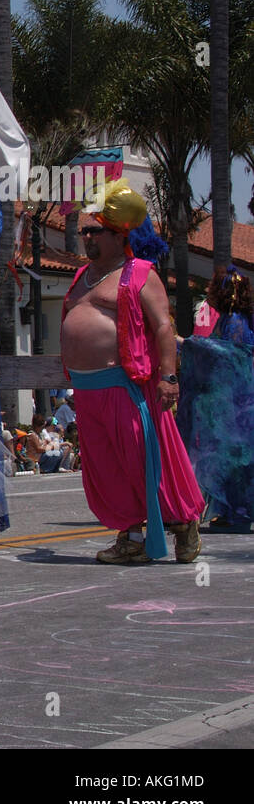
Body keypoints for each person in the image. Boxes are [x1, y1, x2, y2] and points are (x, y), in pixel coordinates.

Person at [60, 179, 203, 563]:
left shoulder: (140, 272)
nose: (86, 238)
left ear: (118, 232)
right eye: (83, 231)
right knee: (107, 468)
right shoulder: (80, 277)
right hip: (87, 392)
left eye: (94, 231)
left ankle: (184, 520)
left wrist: (169, 376)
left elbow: (162, 328)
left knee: (146, 460)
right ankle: (131, 539)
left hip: (126, 388)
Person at [177, 266, 254, 527]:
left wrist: (188, 343)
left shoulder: (234, 321)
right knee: (235, 458)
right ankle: (234, 510)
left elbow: (230, 354)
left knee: (235, 458)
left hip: (237, 404)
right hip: (237, 402)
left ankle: (239, 512)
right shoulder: (231, 319)